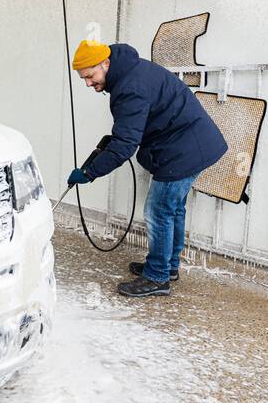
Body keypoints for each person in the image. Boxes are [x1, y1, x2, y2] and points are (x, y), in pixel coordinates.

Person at [66, 39, 227, 298]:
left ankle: (157, 277)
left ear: (105, 64)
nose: (88, 83)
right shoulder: (130, 71)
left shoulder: (129, 88)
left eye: (90, 75)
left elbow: (125, 145)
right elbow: (131, 131)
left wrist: (89, 172)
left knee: (159, 210)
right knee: (173, 208)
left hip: (183, 149)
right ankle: (168, 266)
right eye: (83, 78)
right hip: (192, 143)